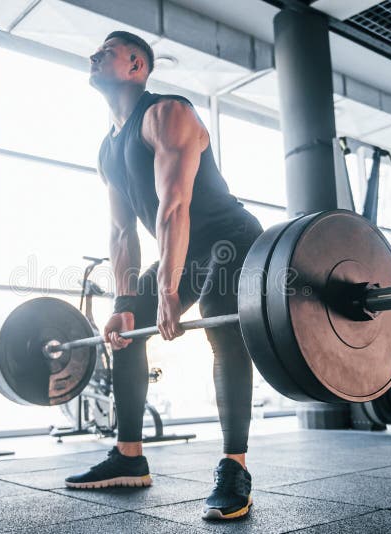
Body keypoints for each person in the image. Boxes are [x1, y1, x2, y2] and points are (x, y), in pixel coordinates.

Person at [64, 30, 263, 521]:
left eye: (106, 51)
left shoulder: (167, 114)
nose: (94, 54)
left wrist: (169, 291)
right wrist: (123, 304)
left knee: (221, 322)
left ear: (137, 66)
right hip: (187, 248)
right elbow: (120, 233)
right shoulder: (107, 150)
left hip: (230, 238)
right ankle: (129, 455)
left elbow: (174, 205)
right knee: (127, 329)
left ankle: (234, 466)